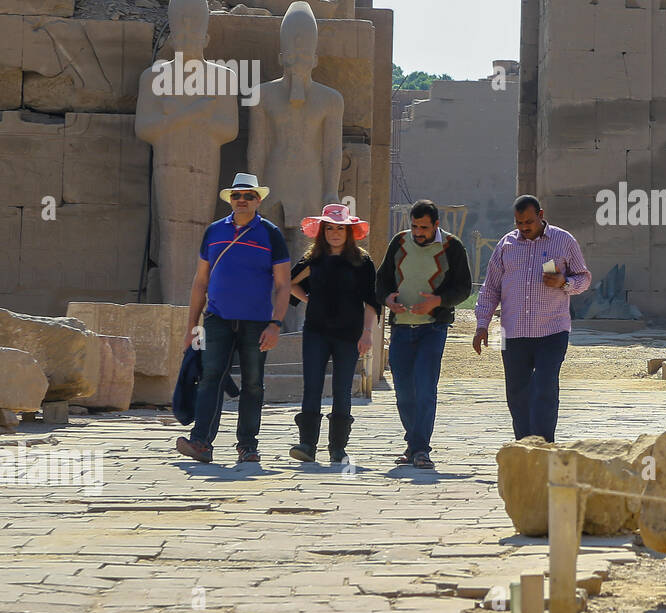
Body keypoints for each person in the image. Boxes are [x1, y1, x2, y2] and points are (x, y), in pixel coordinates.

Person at [176, 172, 291, 465]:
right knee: (210, 378)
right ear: (229, 199)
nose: (242, 200)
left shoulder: (271, 234)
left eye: (249, 196)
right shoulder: (213, 232)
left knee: (253, 383)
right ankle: (201, 442)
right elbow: (200, 281)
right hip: (217, 317)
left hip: (257, 321)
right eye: (237, 195)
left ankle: (248, 446)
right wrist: (192, 327)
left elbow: (283, 285)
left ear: (258, 200)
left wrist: (276, 324)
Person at [473, 195, 591, 442]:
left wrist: (564, 282)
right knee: (517, 393)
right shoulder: (506, 245)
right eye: (518, 223)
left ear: (541, 214)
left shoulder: (564, 241)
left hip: (552, 330)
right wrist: (482, 325)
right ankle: (524, 445)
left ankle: (543, 444)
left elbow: (584, 278)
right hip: (512, 332)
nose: (524, 227)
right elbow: (491, 287)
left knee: (544, 387)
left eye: (528, 221)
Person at [375, 200, 472, 470]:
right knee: (404, 392)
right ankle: (413, 443)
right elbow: (381, 280)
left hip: (433, 327)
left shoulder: (452, 247)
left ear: (436, 225)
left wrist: (438, 301)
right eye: (415, 226)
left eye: (424, 228)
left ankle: (420, 449)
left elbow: (463, 288)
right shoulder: (399, 242)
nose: (418, 232)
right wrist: (387, 298)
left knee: (425, 389)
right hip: (401, 326)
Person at [287, 203, 381, 465]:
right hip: (316, 331)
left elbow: (372, 301)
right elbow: (289, 283)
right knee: (312, 387)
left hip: (349, 334)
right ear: (322, 231)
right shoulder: (313, 260)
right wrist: (309, 300)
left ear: (349, 231)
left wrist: (367, 333)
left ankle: (337, 448)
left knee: (342, 390)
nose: (335, 233)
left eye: (340, 228)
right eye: (330, 228)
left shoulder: (361, 262)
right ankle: (307, 444)